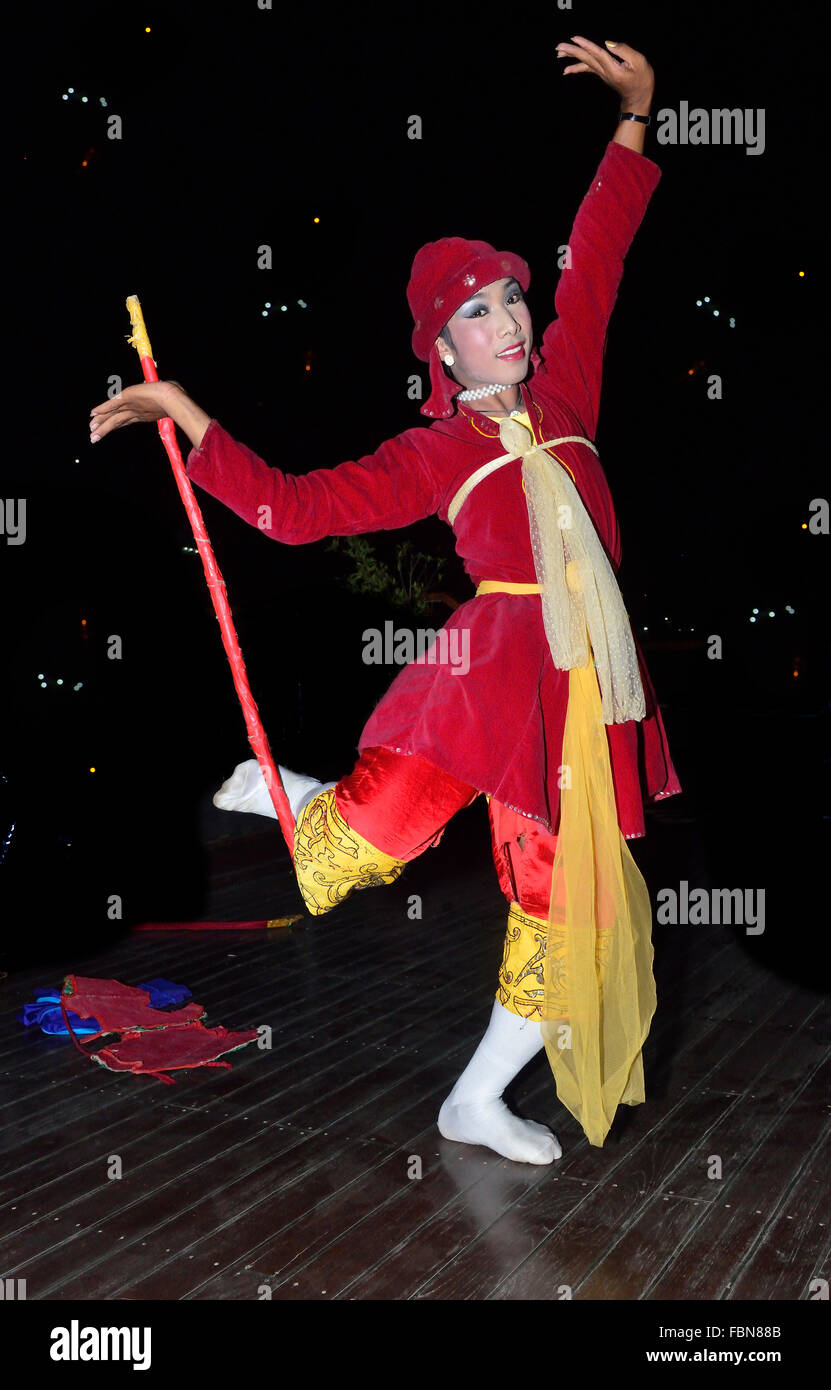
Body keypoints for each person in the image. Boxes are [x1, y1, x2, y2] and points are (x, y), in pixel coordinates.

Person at [89, 36, 681, 1161]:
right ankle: (305, 795)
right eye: (478, 316)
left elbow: (598, 256)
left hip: (583, 692)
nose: (506, 322)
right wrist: (191, 418)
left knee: (567, 914)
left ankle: (474, 1101)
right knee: (368, 845)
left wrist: (637, 117)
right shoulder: (433, 451)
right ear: (442, 352)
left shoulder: (566, 394)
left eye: (511, 300)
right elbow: (297, 508)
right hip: (482, 681)